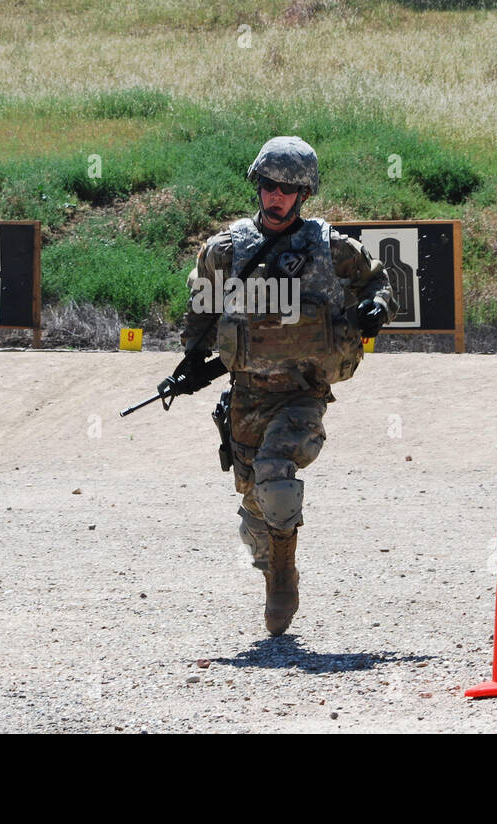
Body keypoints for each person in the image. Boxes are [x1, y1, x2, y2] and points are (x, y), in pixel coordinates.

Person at [179, 136, 398, 635]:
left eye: (288, 189)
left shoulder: (330, 247)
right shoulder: (225, 250)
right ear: (258, 186)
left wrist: (375, 310)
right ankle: (267, 554)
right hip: (246, 394)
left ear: (304, 194)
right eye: (269, 186)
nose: (276, 196)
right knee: (255, 502)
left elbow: (380, 283)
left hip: (303, 392)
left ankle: (283, 576)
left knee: (277, 474)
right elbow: (201, 314)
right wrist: (188, 365)